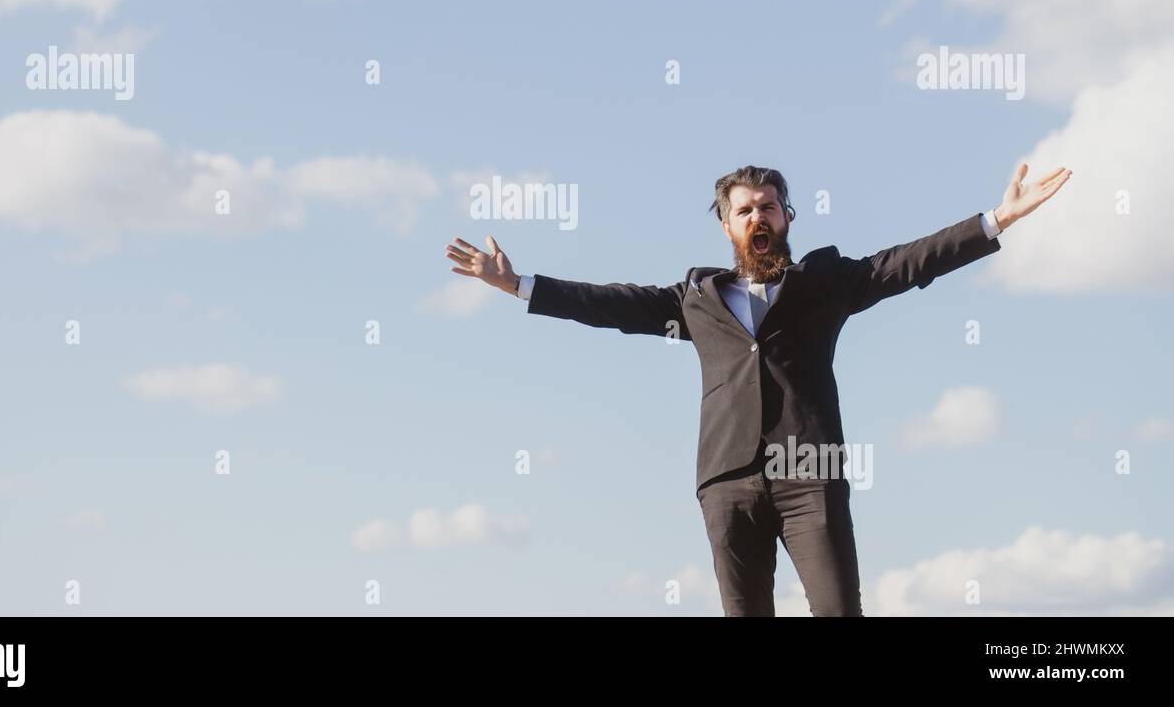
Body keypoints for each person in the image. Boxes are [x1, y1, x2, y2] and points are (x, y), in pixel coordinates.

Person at [445, 163, 1071, 616]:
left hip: (809, 470)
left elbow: (908, 262)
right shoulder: (693, 300)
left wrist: (997, 219)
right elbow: (610, 304)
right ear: (727, 226)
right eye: (744, 210)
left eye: (768, 206)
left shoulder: (825, 283)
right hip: (727, 480)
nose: (758, 217)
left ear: (787, 217)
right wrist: (521, 284)